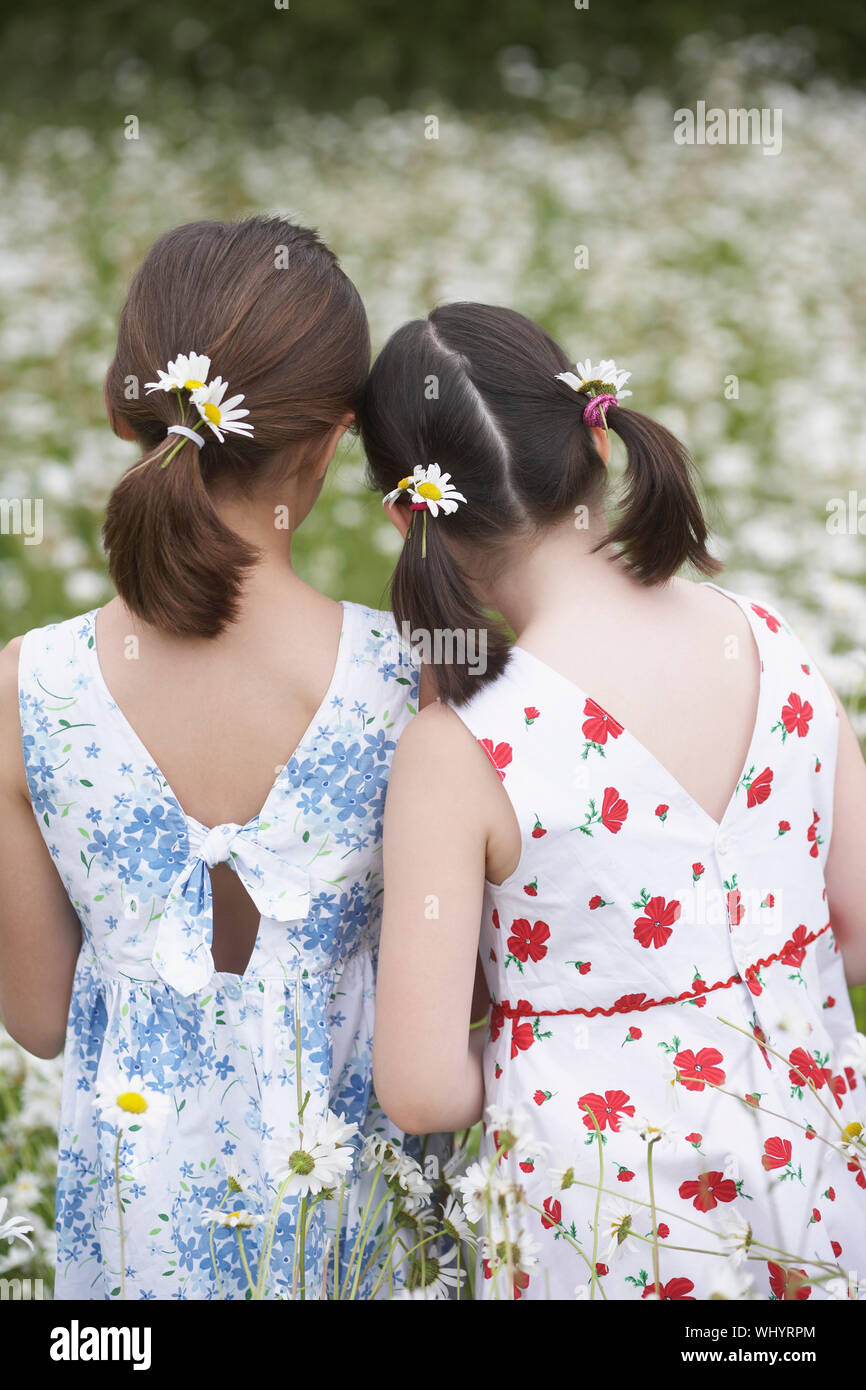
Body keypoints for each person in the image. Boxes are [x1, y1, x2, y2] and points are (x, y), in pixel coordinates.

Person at [364, 303, 866, 1300]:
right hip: (822, 1173)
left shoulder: (461, 745)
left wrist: (575, 1055)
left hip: (606, 1219)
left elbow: (420, 1087)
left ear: (406, 516)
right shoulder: (765, 635)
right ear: (593, 438)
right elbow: (852, 929)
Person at [0, 217, 428, 1300]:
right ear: (336, 439)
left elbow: (40, 1016)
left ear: (119, 405)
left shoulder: (25, 689)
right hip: (352, 1239)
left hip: (133, 1258)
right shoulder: (405, 679)